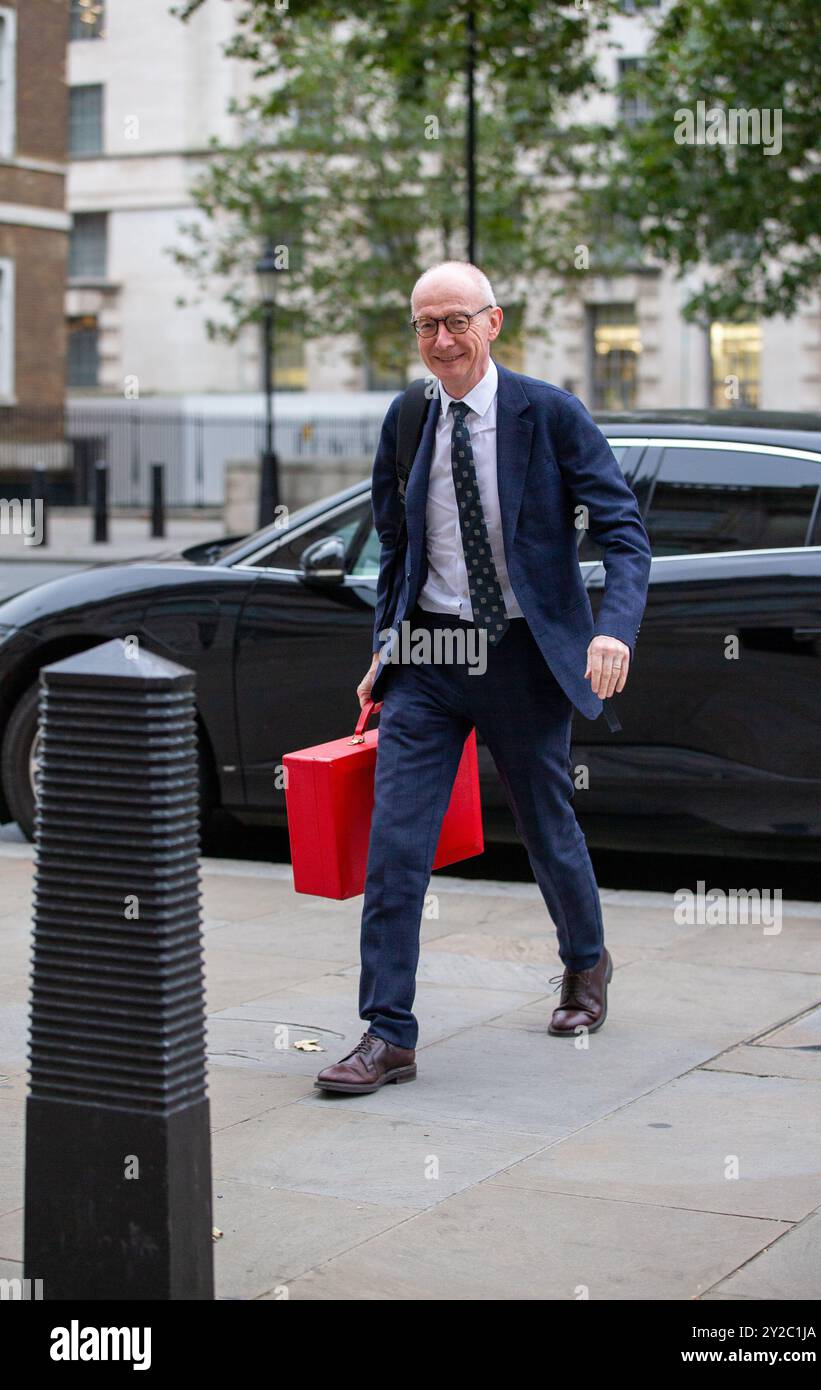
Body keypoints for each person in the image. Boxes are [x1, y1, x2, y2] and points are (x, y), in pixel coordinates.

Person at [315, 260, 651, 1095]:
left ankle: (585, 964)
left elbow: (623, 532)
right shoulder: (406, 419)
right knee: (396, 847)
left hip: (523, 655)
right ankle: (387, 1034)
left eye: (457, 321)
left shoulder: (549, 414)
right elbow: (396, 546)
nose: (441, 340)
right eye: (426, 325)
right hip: (428, 658)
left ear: (493, 323)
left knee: (544, 823)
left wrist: (612, 631)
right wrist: (384, 646)